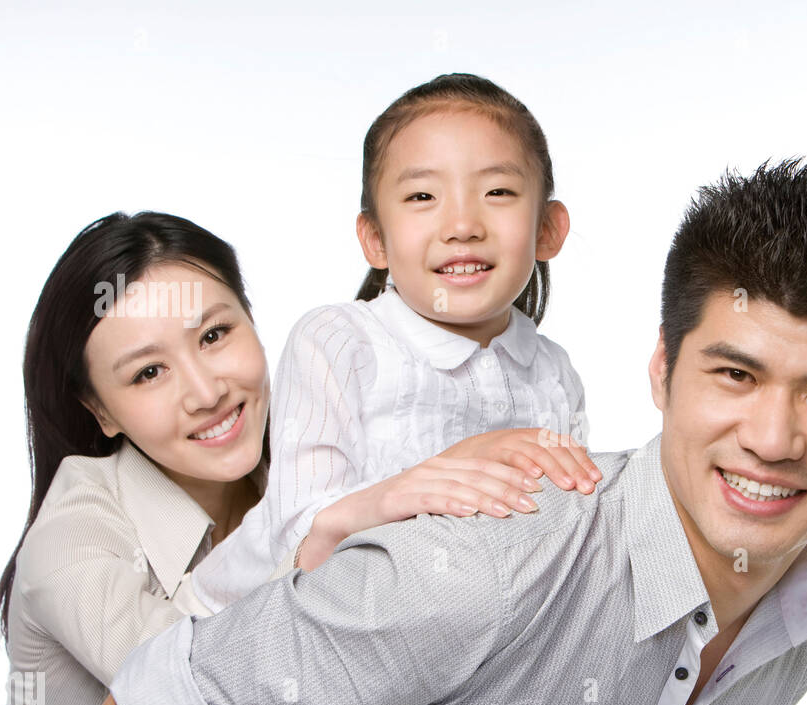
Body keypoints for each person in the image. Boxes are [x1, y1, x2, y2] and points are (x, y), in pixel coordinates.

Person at [34, 156, 807, 705]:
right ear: (662, 372)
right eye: (735, 376)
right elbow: (174, 691)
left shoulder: (805, 618)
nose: (773, 438)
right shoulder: (483, 564)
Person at [187, 72, 598, 613]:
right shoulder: (338, 342)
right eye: (422, 195)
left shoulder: (554, 374)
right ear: (375, 239)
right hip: (247, 630)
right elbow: (302, 538)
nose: (462, 224)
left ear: (548, 228)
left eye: (497, 191)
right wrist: (414, 487)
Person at [0, 211, 274, 705]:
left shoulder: (297, 488)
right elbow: (196, 687)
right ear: (100, 411)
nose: (206, 392)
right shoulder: (74, 537)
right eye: (149, 374)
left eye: (215, 334)